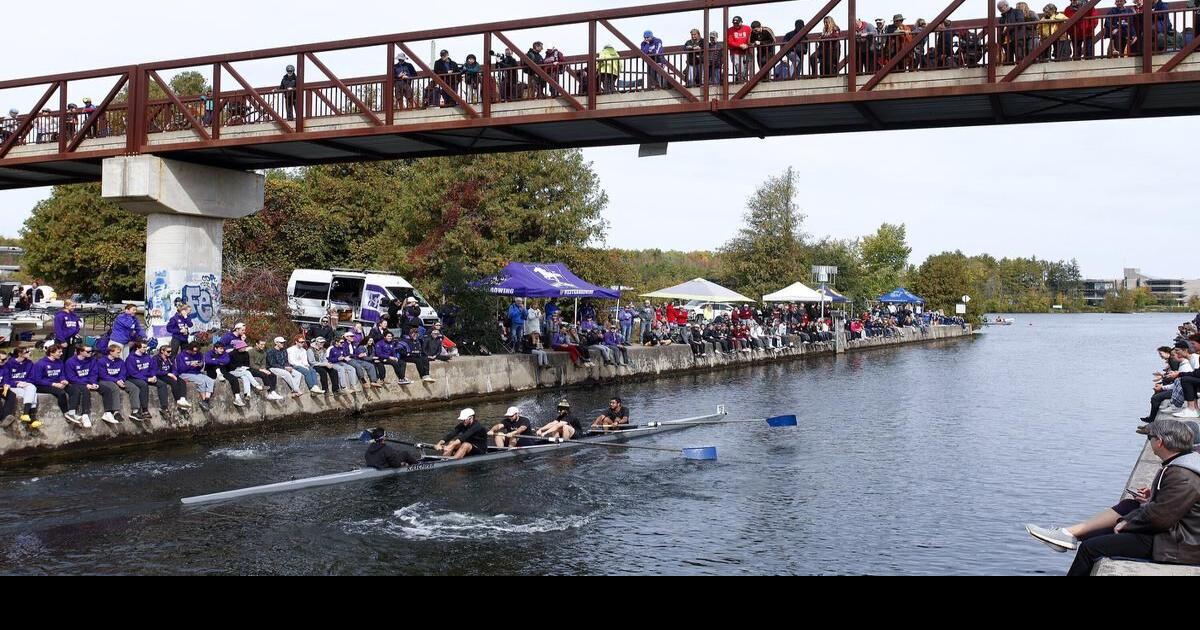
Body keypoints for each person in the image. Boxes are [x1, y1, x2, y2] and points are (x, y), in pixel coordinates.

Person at [1026, 419, 1200, 575]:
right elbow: (1171, 506)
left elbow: (1162, 517)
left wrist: (1128, 523)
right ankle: (1068, 535)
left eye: (1150, 438)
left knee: (1090, 548)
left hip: (1179, 545)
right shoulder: (1181, 464)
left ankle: (1070, 536)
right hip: (1177, 534)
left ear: (1160, 442)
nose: (1150, 442)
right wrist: (1152, 497)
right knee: (1126, 509)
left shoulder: (1182, 474)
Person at [97, 343, 134, 425]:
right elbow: (103, 375)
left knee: (134, 388)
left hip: (118, 379)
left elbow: (123, 372)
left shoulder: (120, 361)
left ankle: (136, 410)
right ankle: (116, 412)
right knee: (114, 388)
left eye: (120, 352)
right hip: (105, 380)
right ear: (111, 352)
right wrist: (116, 381)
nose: (119, 354)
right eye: (117, 352)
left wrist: (121, 380)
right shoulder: (102, 361)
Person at [32, 343, 70, 422]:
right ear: (52, 353)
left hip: (57, 383)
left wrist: (63, 380)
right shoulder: (40, 364)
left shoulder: (60, 362)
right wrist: (54, 384)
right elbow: (38, 380)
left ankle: (73, 411)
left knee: (74, 389)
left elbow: (62, 374)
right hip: (42, 385)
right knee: (61, 393)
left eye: (61, 352)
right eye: (59, 352)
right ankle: (66, 413)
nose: (61, 353)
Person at [3, 347, 39, 429]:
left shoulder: (29, 363)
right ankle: (32, 419)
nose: (29, 353)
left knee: (32, 388)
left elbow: (32, 377)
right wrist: (17, 384)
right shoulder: (9, 363)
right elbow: (6, 380)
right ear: (19, 354)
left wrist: (25, 382)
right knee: (33, 394)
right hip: (13, 386)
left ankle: (26, 414)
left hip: (25, 385)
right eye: (27, 351)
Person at [65, 344, 99, 428]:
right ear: (80, 352)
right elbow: (71, 378)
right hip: (75, 382)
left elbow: (94, 373)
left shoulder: (92, 360)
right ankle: (85, 414)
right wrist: (86, 384)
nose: (90, 353)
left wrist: (93, 382)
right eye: (88, 351)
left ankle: (110, 412)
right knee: (85, 391)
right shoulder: (70, 362)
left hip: (88, 382)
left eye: (91, 351)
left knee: (106, 389)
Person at [176, 342, 215, 410]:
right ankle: (204, 400)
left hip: (196, 372)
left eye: (196, 351)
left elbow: (201, 366)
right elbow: (180, 369)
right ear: (189, 349)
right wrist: (190, 364)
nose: (195, 353)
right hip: (185, 374)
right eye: (194, 351)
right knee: (201, 381)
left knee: (210, 381)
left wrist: (200, 365)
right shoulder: (181, 355)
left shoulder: (199, 354)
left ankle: (206, 401)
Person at [123, 341, 156, 420]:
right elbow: (133, 373)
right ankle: (144, 409)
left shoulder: (147, 356)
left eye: (146, 347)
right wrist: (147, 379)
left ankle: (164, 407)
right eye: (143, 347)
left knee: (161, 384)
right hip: (132, 378)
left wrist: (153, 376)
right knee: (143, 385)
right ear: (137, 348)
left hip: (147, 377)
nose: (145, 349)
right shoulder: (131, 358)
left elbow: (152, 368)